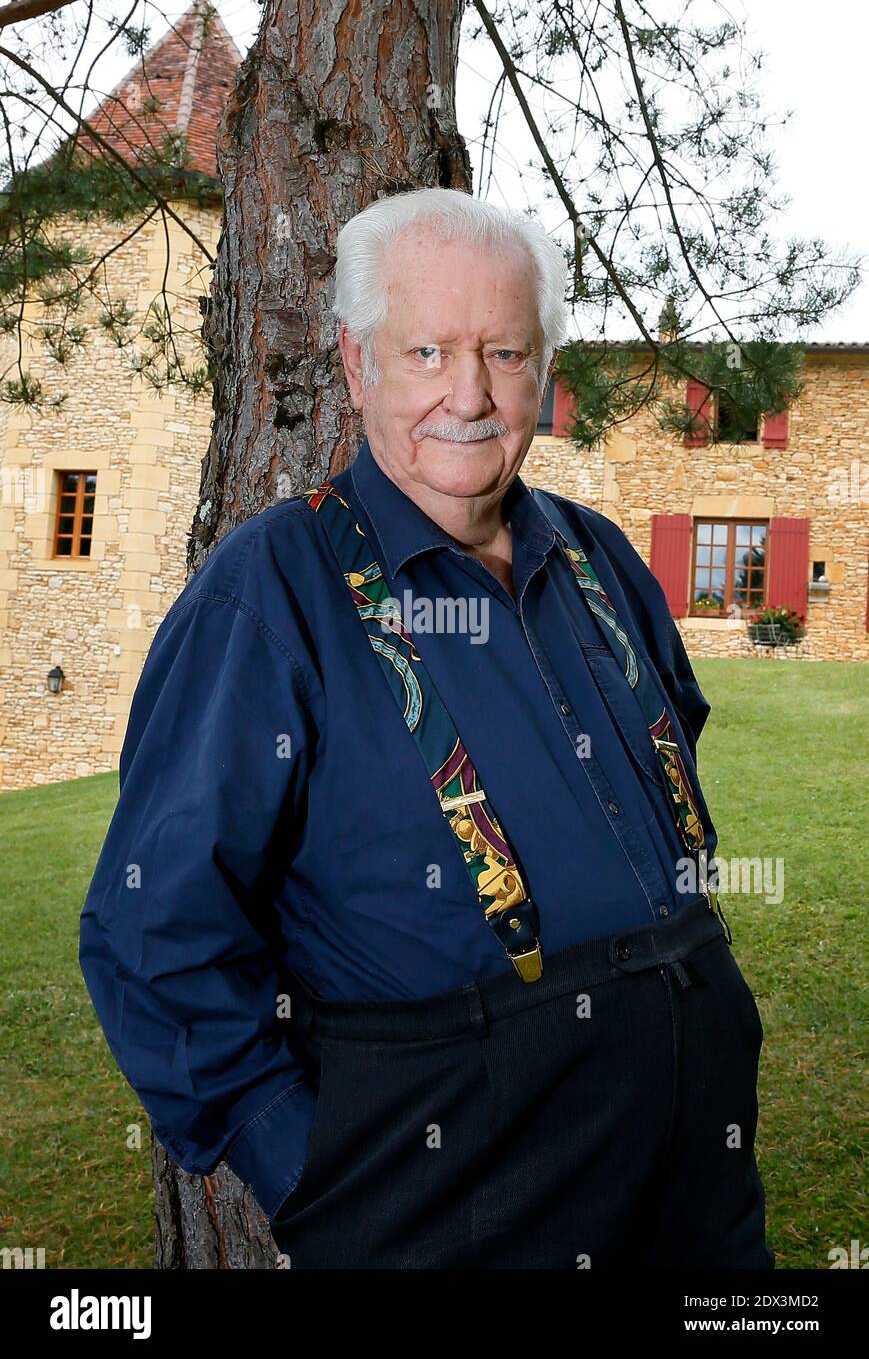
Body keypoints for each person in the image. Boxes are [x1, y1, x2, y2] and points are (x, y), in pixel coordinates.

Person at [79, 187, 773, 1270]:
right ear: (357, 365)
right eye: (427, 352)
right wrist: (311, 1173)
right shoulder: (266, 597)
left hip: (698, 1198)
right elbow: (150, 931)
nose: (469, 393)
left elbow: (667, 754)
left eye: (503, 351)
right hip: (459, 1205)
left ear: (542, 369)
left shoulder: (598, 559)